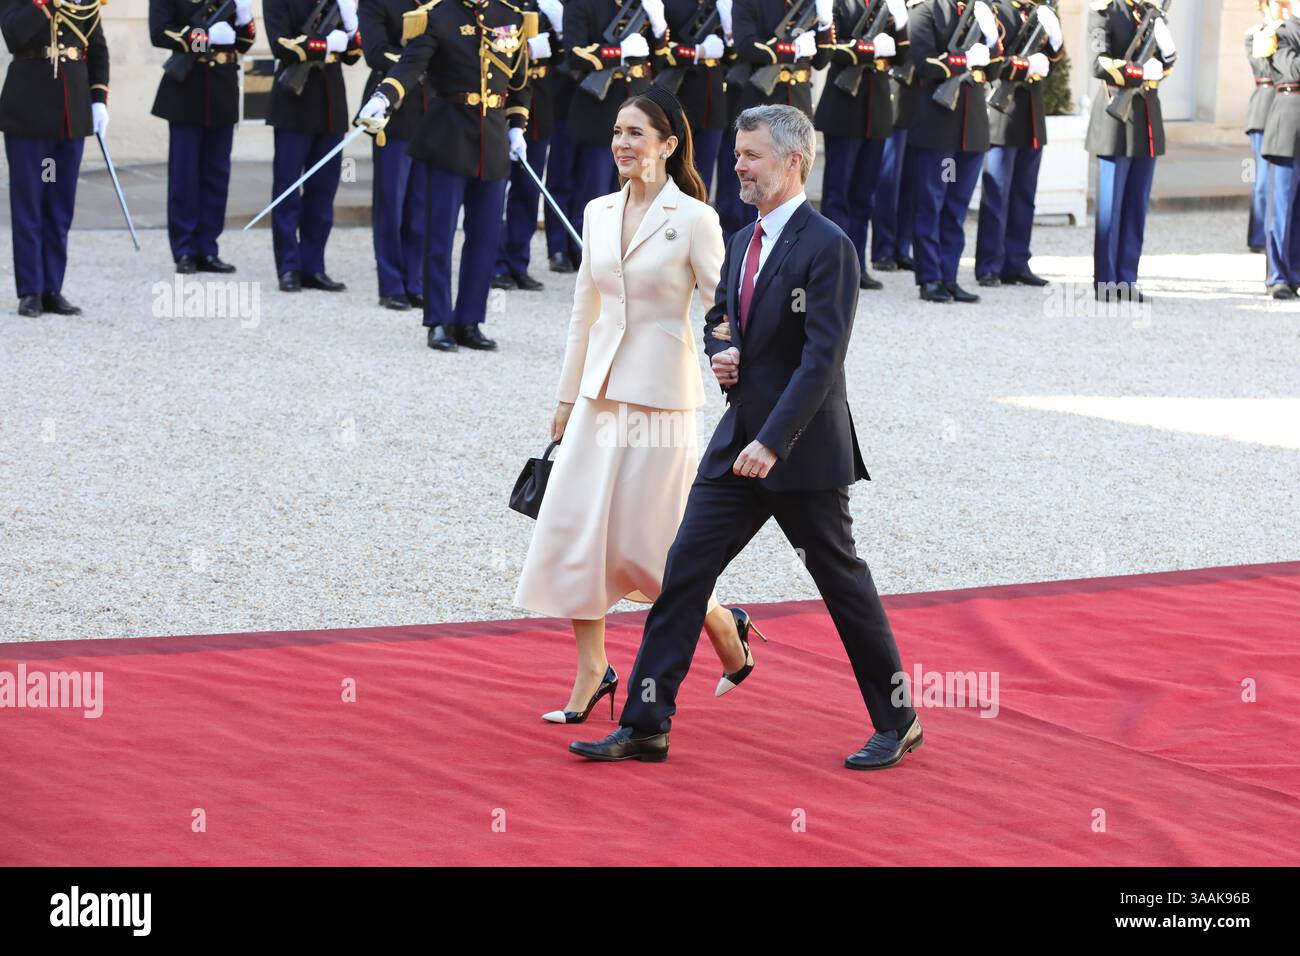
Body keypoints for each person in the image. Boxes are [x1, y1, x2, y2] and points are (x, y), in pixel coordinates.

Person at [569, 105, 920, 769]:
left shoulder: (829, 248)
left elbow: (823, 361)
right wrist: (721, 352)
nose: (738, 165)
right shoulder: (743, 238)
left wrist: (774, 441)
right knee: (684, 574)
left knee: (842, 584)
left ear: (794, 161)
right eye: (737, 154)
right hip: (739, 443)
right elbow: (721, 316)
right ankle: (646, 722)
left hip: (801, 453)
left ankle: (897, 718)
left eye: (752, 155)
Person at [515, 88, 758, 722]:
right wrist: (566, 398)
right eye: (617, 131)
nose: (622, 143)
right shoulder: (596, 212)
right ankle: (592, 670)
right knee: (577, 532)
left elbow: (721, 310)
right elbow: (581, 314)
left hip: (663, 401)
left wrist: (739, 375)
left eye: (636, 133)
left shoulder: (695, 218)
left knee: (654, 550)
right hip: (597, 396)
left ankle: (724, 625)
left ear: (668, 144)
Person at [356, 0, 535, 352]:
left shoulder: (510, 15)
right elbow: (411, 66)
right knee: (438, 236)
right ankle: (438, 319)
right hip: (449, 135)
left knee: (484, 237)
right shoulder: (437, 15)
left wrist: (517, 126)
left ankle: (469, 320)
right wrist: (384, 97)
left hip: (494, 138)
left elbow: (519, 82)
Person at [1, 0, 110, 317]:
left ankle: (52, 287)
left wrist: (98, 98)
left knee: (58, 205)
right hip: (30, 113)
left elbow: (98, 50)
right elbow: (14, 34)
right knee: (30, 204)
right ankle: (30, 290)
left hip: (69, 114)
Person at [149, 0, 257, 276]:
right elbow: (160, 32)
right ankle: (184, 249)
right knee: (185, 175)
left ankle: (208, 247)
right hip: (188, 88)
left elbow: (243, 44)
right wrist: (205, 39)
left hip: (222, 87)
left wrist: (244, 17)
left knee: (216, 175)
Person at [264, 0, 364, 293]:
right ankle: (288, 267)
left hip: (330, 106)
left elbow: (354, 55)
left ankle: (314, 265)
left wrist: (350, 21)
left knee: (322, 193)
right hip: (294, 105)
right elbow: (280, 44)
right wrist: (323, 43)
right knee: (287, 192)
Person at [716, 0, 833, 241]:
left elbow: (821, 60)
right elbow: (745, 44)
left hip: (797, 102)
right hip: (761, 102)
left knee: (790, 182)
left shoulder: (810, 6)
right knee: (745, 184)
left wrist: (825, 24)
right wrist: (791, 50)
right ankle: (733, 249)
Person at [908, 0, 1000, 304]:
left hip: (970, 128)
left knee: (957, 207)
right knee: (932, 204)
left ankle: (949, 275)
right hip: (940, 127)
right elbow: (923, 62)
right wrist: (963, 60)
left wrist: (993, 41)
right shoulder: (925, 11)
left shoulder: (980, 11)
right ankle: (930, 277)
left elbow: (995, 69)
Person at [814, 0, 910, 291]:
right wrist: (866, 48)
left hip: (876, 110)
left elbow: (903, 56)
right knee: (837, 194)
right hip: (845, 107)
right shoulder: (839, 4)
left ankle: (857, 265)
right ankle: (832, 268)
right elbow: (829, 49)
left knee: (864, 195)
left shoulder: (888, 5)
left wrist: (902, 24)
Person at [1085, 0, 1176, 303]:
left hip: (1146, 119)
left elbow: (1166, 65)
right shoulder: (1105, 11)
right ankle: (1106, 281)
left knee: (1136, 206)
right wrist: (1139, 72)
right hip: (1115, 116)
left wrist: (1167, 52)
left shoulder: (1151, 14)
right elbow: (1099, 62)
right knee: (1111, 207)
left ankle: (1127, 279)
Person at [973, 0, 1063, 287]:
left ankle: (1017, 262)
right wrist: (1024, 66)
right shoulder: (996, 10)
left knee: (1025, 196)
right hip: (1004, 114)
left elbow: (1055, 56)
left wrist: (1056, 34)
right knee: (997, 195)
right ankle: (989, 264)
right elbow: (990, 60)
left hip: (1031, 117)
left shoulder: (1038, 12)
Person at [561, 0, 655, 260]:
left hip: (638, 105)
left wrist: (659, 25)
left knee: (639, 188)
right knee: (597, 189)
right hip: (600, 110)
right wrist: (618, 51)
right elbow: (575, 53)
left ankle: (629, 251)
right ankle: (590, 253)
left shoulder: (642, 5)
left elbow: (656, 54)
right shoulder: (583, 5)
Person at [359, 0, 430, 310]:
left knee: (421, 207)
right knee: (391, 203)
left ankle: (414, 282)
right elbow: (375, 51)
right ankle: (391, 284)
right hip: (394, 111)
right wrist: (418, 63)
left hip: (431, 113)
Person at [492, 0, 562, 292]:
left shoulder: (542, 7)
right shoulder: (497, 8)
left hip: (538, 105)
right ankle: (495, 263)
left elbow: (563, 57)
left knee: (528, 190)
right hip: (504, 104)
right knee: (496, 190)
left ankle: (518, 262)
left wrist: (559, 31)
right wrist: (527, 50)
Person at [652, 0, 729, 196]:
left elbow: (735, 54)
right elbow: (658, 50)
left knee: (703, 178)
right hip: (678, 98)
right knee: (671, 172)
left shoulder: (721, 4)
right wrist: (697, 53)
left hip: (713, 102)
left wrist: (730, 33)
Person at [1264, 2, 1300, 298]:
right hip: (1288, 125)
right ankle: (1277, 276)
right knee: (1282, 207)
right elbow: (1291, 70)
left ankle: (1296, 272)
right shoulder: (1282, 33)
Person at [1246, 2, 1284, 258]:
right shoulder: (1255, 33)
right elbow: (1264, 68)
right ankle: (1257, 235)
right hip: (1263, 107)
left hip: (1283, 111)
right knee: (1260, 179)